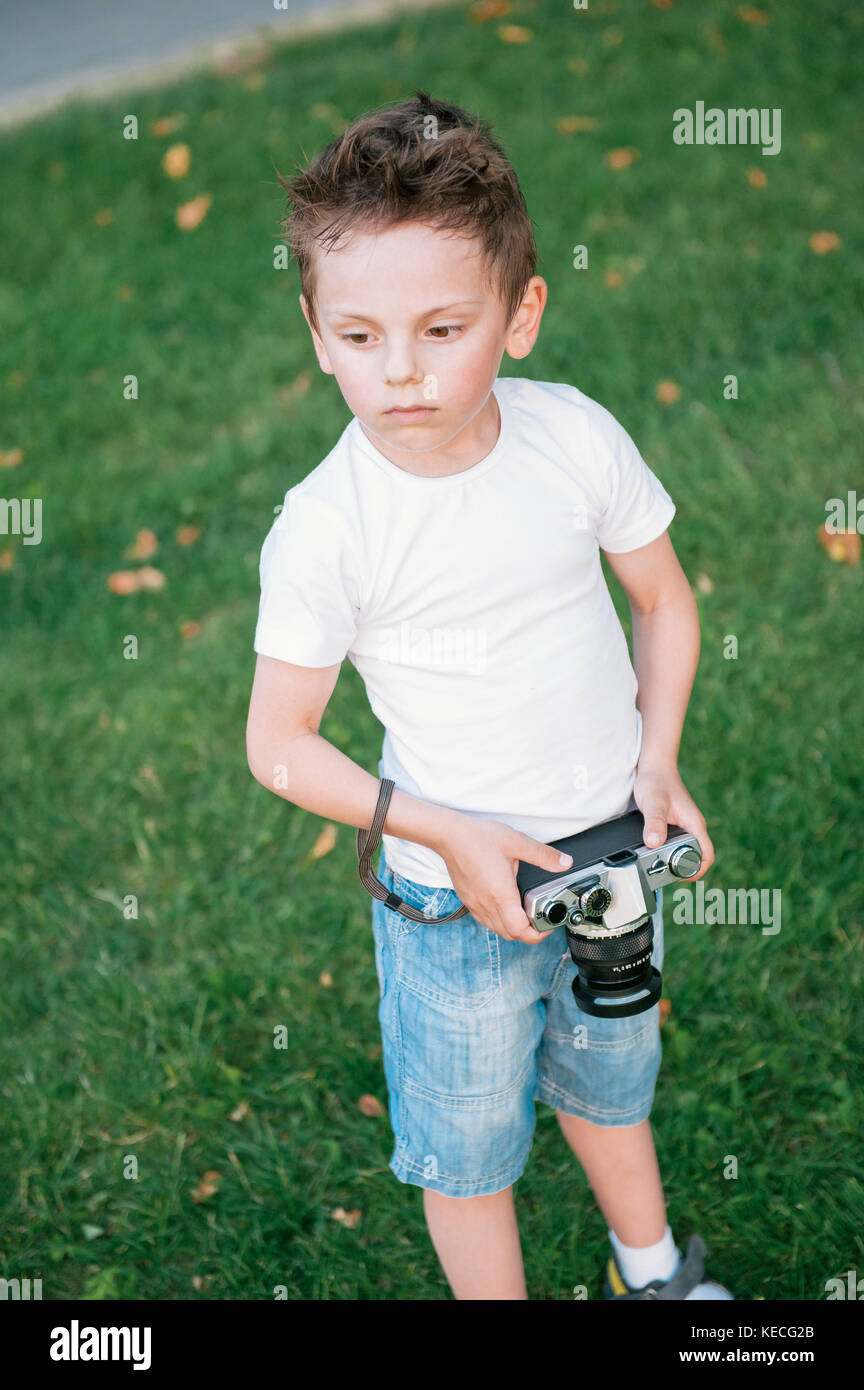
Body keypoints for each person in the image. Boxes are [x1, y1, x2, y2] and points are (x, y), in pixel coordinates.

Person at [246, 90, 734, 1301]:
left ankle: (655, 1272)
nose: (400, 372)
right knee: (467, 1157)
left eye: (442, 328)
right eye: (359, 338)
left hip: (613, 851)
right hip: (449, 904)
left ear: (522, 316)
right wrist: (446, 829)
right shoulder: (326, 529)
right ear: (315, 332)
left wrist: (658, 759)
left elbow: (664, 603)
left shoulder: (573, 441)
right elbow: (280, 747)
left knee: (612, 1088)